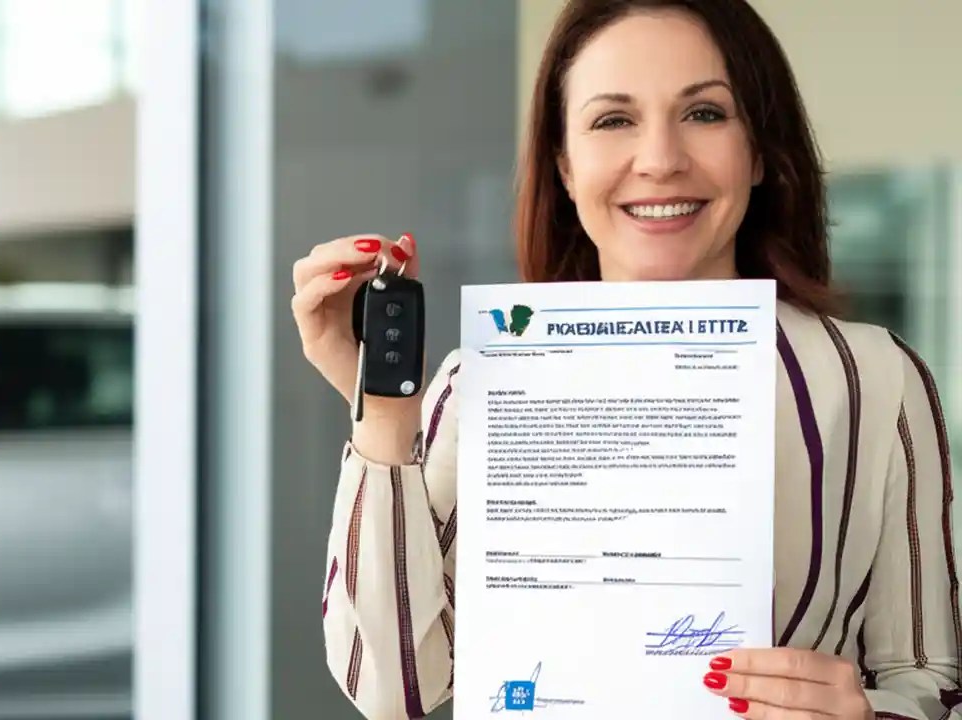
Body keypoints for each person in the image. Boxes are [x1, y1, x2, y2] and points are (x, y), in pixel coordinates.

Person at [289, 0, 962, 718]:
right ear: (565, 165)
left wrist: (865, 716)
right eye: (614, 120)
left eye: (704, 114)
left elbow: (932, 676)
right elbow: (396, 690)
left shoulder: (874, 380)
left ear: (760, 150)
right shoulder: (483, 383)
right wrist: (385, 418)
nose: (661, 160)